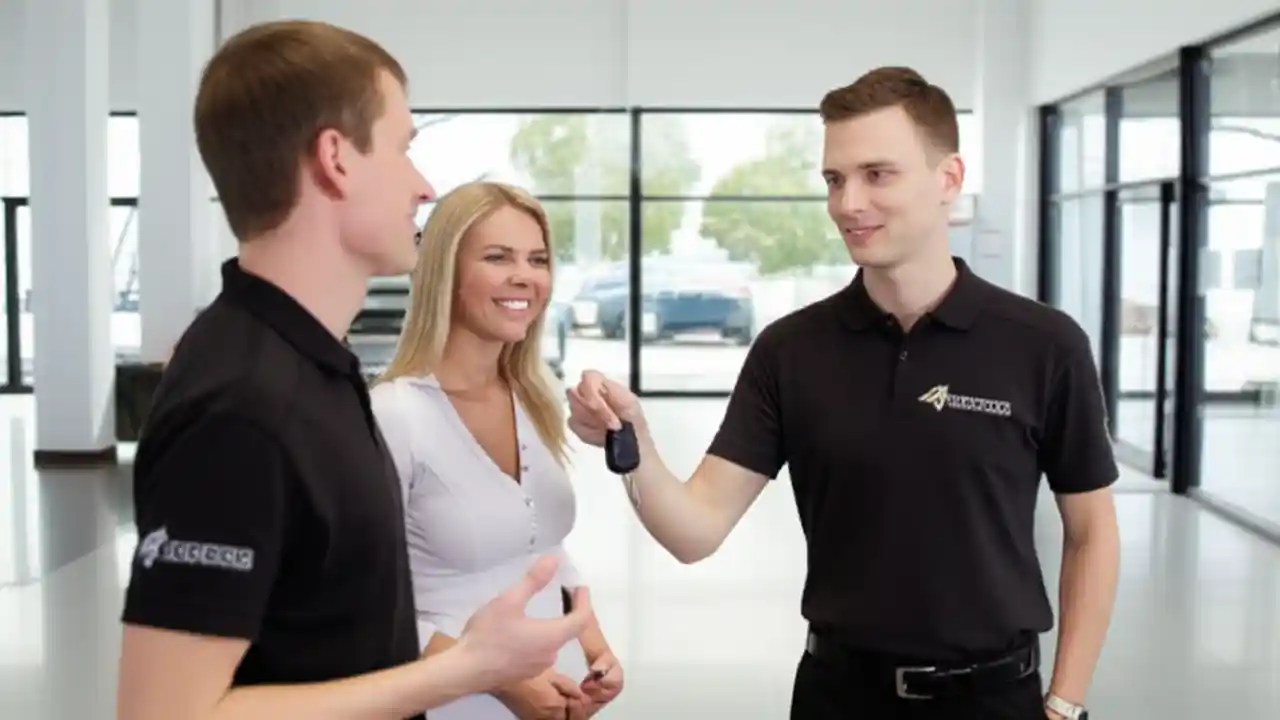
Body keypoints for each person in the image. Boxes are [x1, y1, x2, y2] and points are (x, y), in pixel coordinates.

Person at [567, 67, 1120, 720]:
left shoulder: (1044, 345)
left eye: (876, 174)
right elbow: (696, 531)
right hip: (838, 696)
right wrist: (636, 447)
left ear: (948, 179)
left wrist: (1065, 703)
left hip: (995, 698)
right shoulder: (791, 351)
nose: (847, 203)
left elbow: (1092, 533)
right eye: (834, 179)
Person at [116, 21, 592, 720]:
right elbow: (165, 715)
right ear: (335, 158)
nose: (423, 185)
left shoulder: (318, 374)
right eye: (403, 148)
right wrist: (465, 670)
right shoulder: (240, 405)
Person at [370, 181, 624, 720]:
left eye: (537, 259)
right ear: (446, 272)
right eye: (497, 257)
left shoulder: (532, 395)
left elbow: (543, 549)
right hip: (449, 706)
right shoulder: (394, 414)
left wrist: (594, 648)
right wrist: (507, 682)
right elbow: (363, 600)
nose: (524, 276)